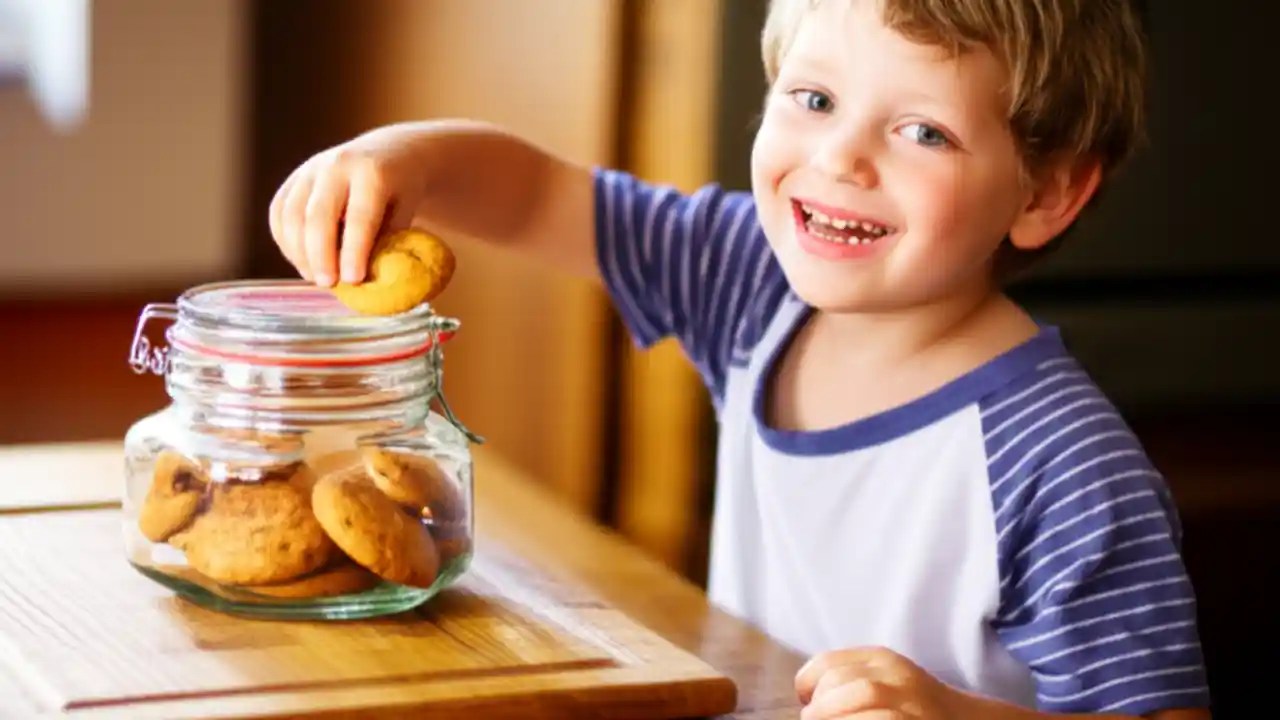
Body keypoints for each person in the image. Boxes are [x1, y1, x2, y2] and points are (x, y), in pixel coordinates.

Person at [268, 0, 1211, 717]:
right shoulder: (751, 282)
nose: (840, 157)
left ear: (1046, 194)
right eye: (814, 99)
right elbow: (537, 199)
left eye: (923, 130)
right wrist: (399, 164)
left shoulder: (1064, 465)